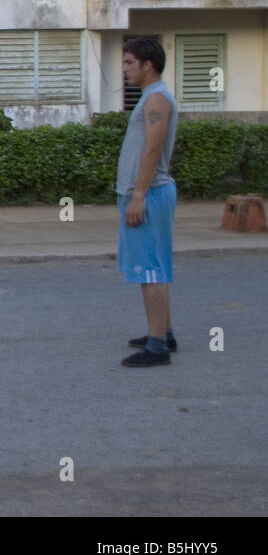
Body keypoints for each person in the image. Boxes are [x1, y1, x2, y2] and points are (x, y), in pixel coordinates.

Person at [117, 38, 178, 367]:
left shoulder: (156, 100)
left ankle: (157, 346)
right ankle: (163, 332)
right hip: (151, 193)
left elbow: (152, 150)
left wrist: (138, 195)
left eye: (129, 63)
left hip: (150, 194)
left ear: (147, 65)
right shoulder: (152, 98)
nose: (125, 69)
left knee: (150, 269)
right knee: (157, 266)